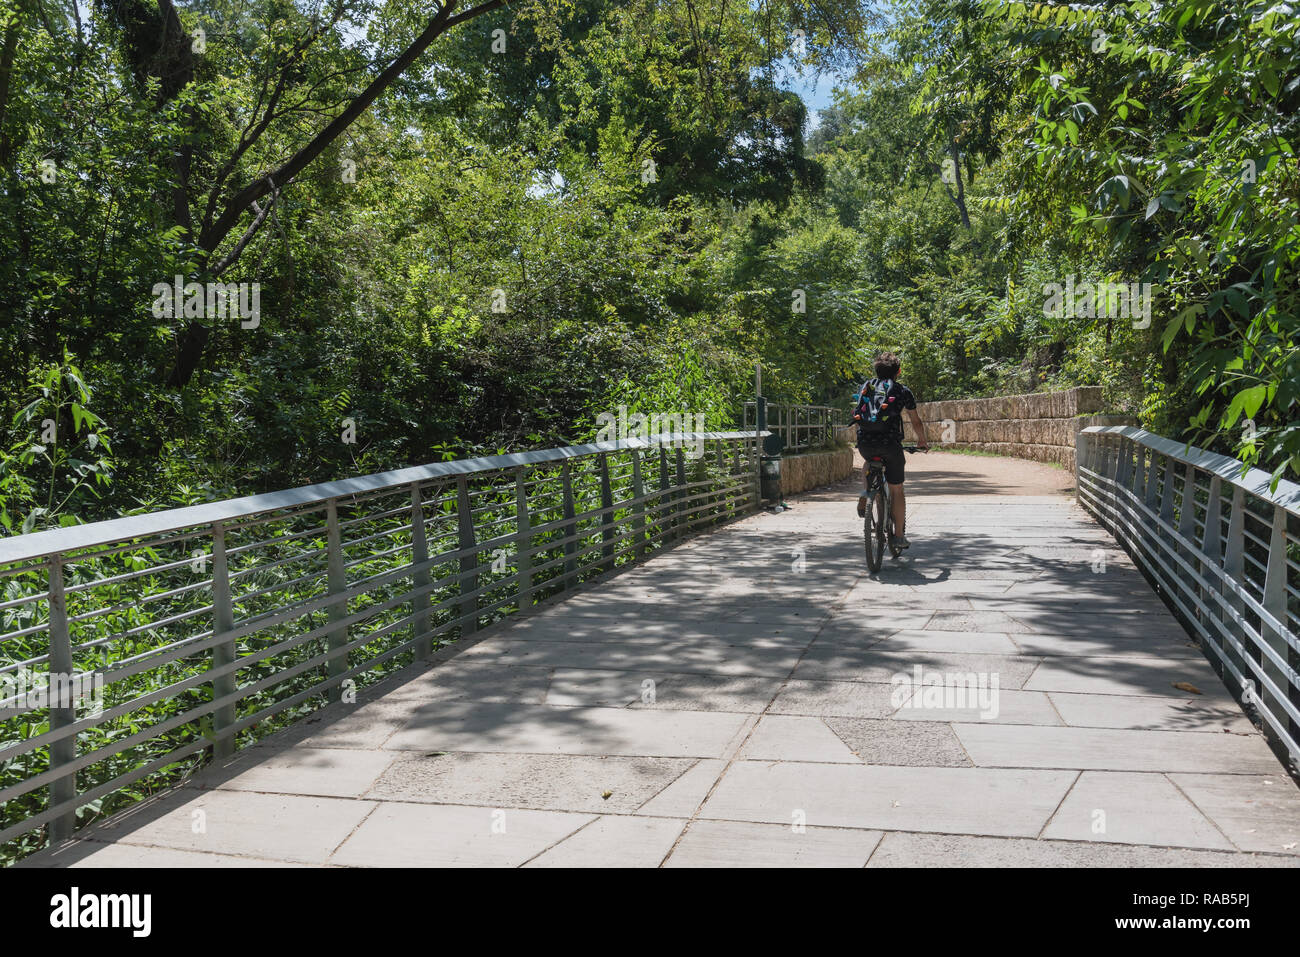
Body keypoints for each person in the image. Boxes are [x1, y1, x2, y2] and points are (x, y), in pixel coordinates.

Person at [852, 351, 928, 548]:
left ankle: (865, 492)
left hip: (866, 443)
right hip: (890, 445)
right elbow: (916, 421)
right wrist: (922, 441)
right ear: (898, 372)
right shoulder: (903, 391)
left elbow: (859, 416)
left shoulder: (866, 387)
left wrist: (861, 439)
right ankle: (899, 536)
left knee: (869, 463)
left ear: (876, 371)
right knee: (897, 490)